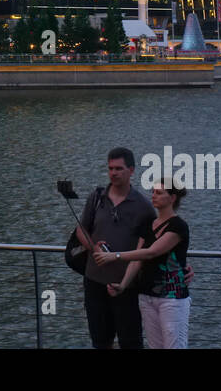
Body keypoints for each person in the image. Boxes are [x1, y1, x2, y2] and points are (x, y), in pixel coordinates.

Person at [74, 147, 154, 349]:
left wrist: (182, 267)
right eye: (110, 168)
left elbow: (157, 244)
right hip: (94, 281)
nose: (113, 173)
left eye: (119, 168)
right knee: (100, 341)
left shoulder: (143, 206)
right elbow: (81, 230)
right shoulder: (96, 197)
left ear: (132, 170)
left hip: (125, 285)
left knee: (131, 342)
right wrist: (93, 248)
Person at [108, 179, 191, 348]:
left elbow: (151, 252)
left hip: (172, 297)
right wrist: (123, 285)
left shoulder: (178, 226)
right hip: (147, 295)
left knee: (174, 345)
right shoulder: (148, 224)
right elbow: (137, 259)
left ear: (172, 198)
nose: (154, 196)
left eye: (159, 193)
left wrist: (115, 256)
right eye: (153, 192)